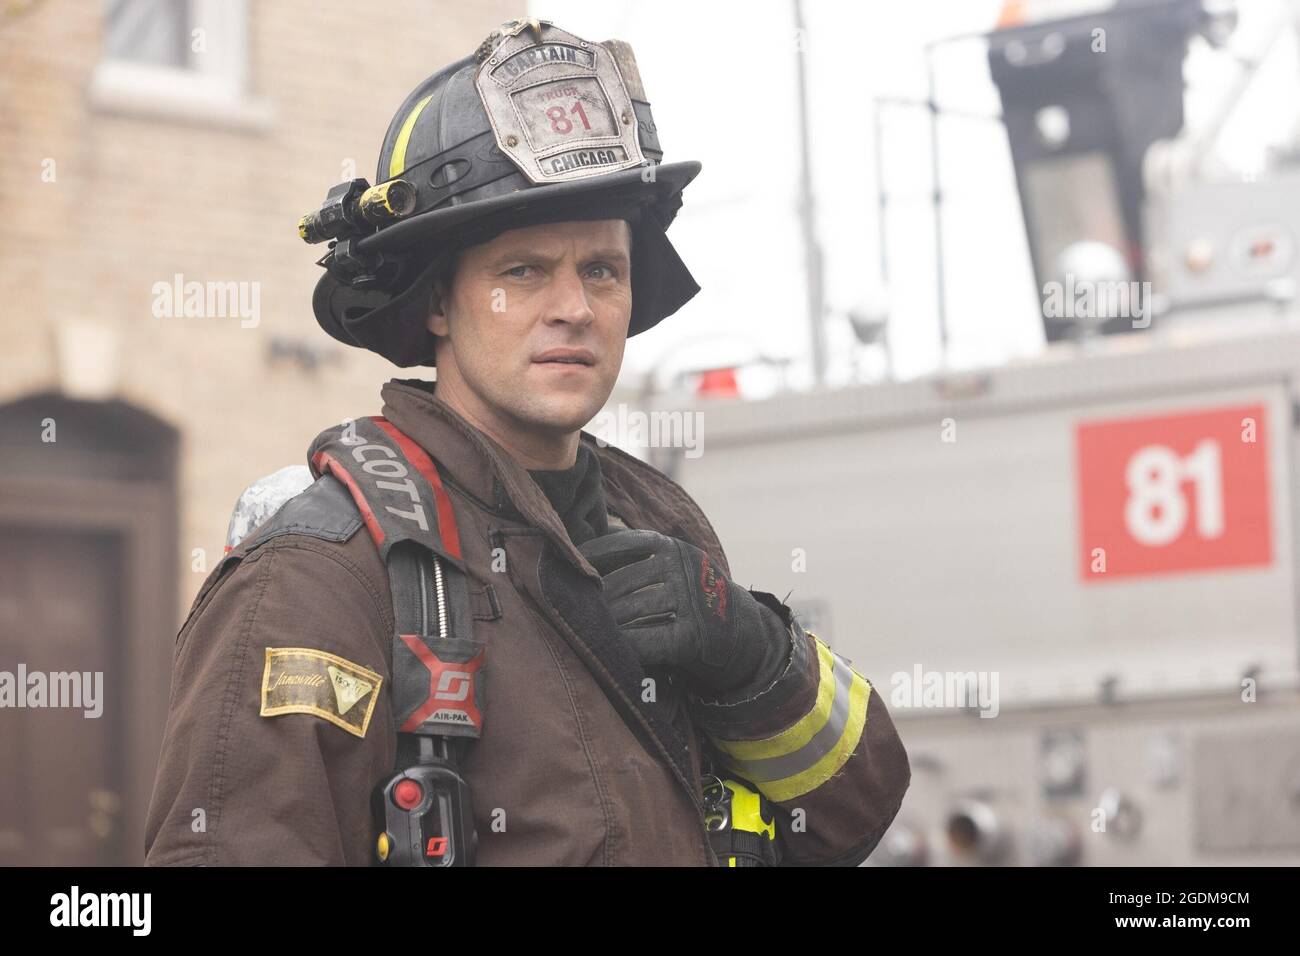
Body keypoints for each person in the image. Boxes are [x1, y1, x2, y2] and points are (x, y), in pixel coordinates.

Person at [144, 18, 910, 866]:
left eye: (602, 270)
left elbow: (851, 813)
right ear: (438, 304)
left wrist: (754, 655)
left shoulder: (662, 524)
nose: (574, 308)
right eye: (523, 271)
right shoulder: (317, 580)